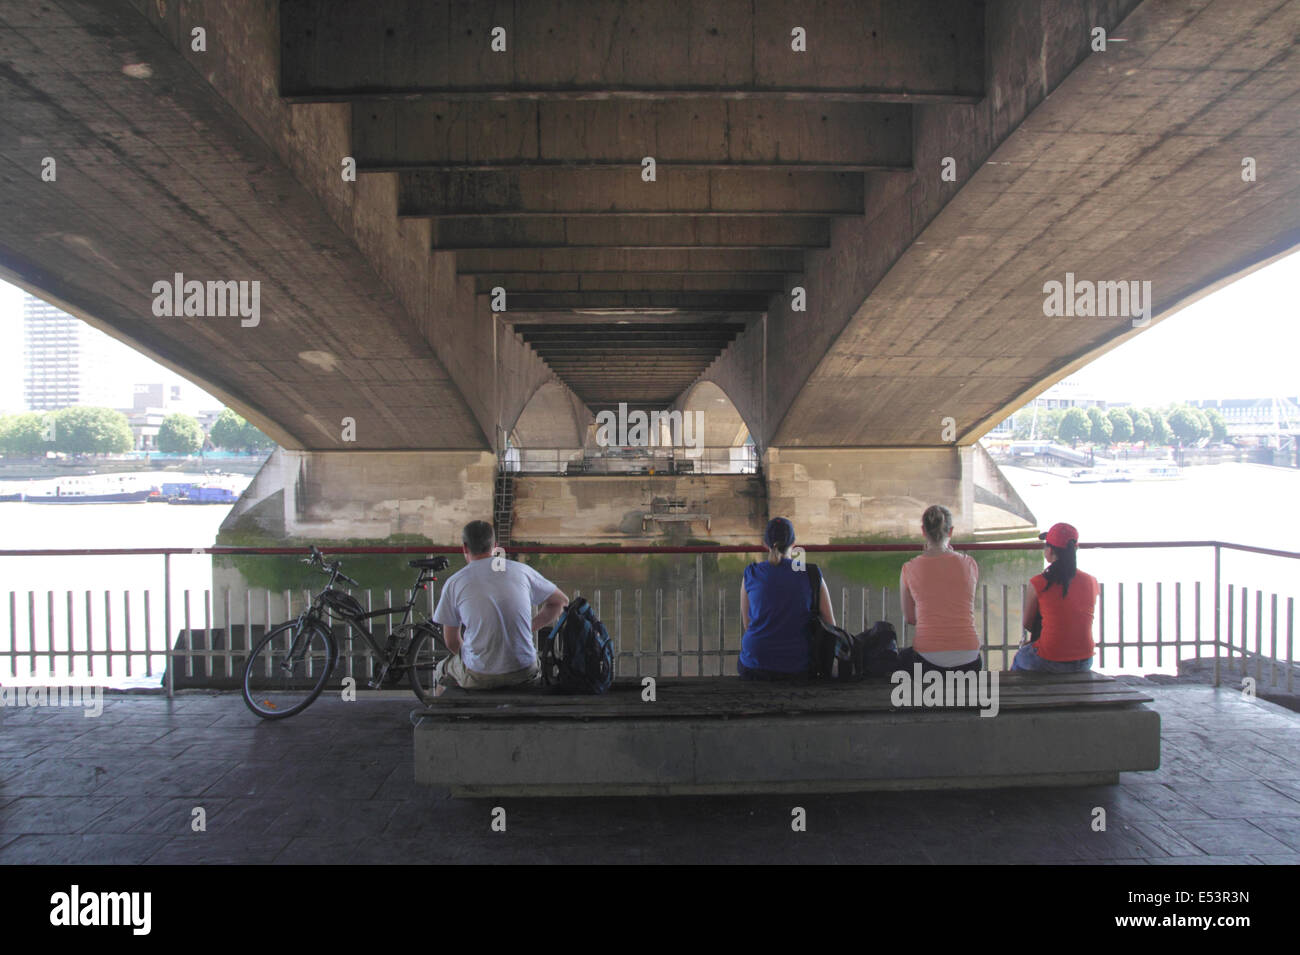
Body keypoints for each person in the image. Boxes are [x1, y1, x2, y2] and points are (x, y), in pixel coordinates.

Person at [430, 520, 568, 694]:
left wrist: (477, 659)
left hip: (479, 675)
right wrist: (530, 626)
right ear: (495, 546)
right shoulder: (521, 570)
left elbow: (451, 641)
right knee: (531, 663)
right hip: (524, 671)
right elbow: (561, 601)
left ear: (464, 548)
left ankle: (439, 708)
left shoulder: (455, 582)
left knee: (442, 670)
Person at [738, 517, 835, 680]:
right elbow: (830, 624)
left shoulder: (751, 573)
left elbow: (748, 625)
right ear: (794, 543)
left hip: (755, 664)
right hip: (798, 665)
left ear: (765, 544)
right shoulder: (810, 573)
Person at [898, 504, 982, 673]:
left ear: (923, 531)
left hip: (927, 660)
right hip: (970, 660)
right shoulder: (969, 564)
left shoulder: (909, 568)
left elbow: (910, 618)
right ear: (950, 531)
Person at [1013, 522, 1099, 672]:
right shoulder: (1091, 581)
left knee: (1020, 656)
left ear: (1050, 551)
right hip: (1085, 660)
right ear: (1075, 549)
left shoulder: (1039, 582)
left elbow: (1028, 623)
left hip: (1049, 659)